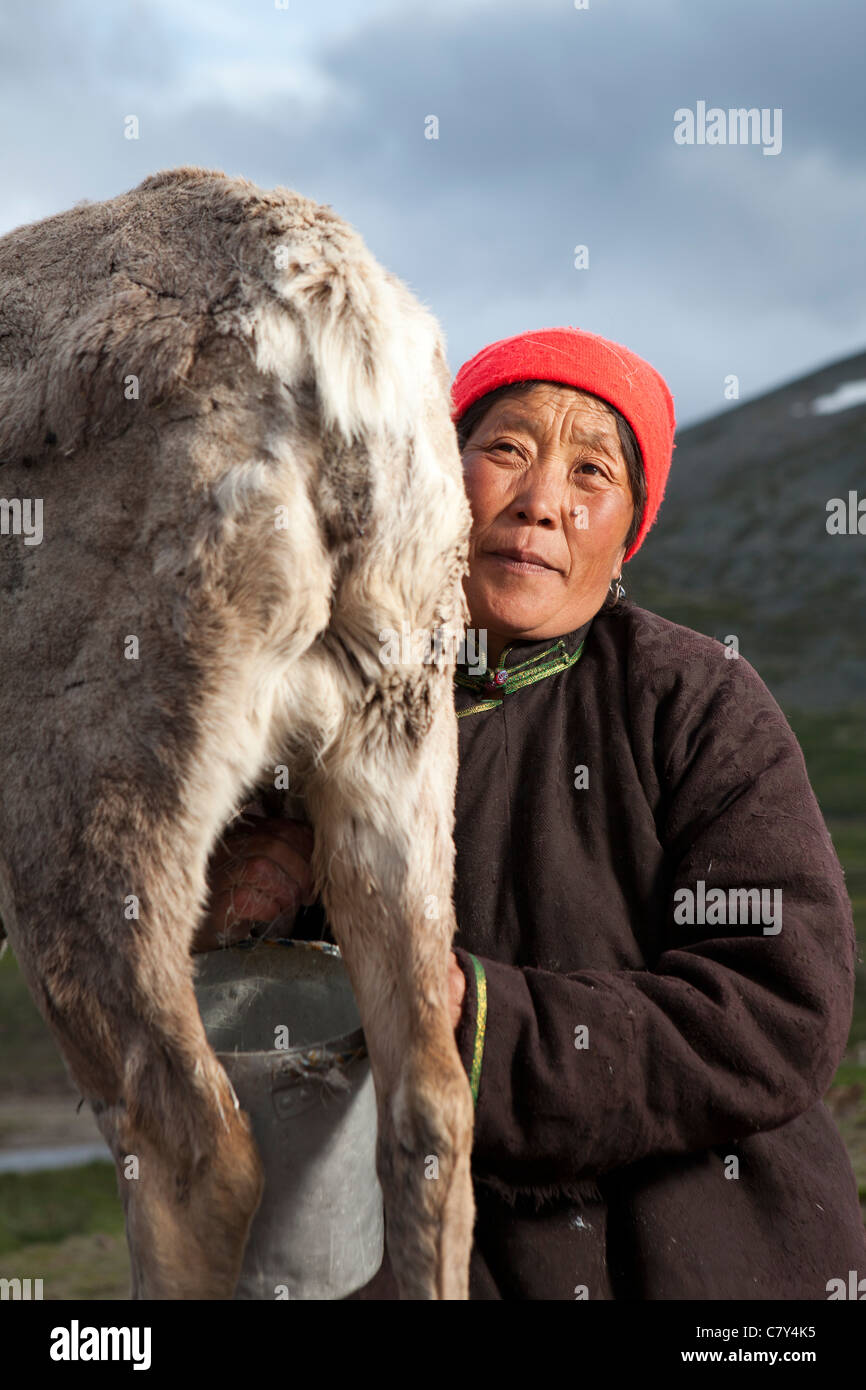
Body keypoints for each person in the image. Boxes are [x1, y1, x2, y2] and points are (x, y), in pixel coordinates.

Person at [193, 326, 866, 1300]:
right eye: (503, 449)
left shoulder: (694, 701)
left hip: (696, 1265)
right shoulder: (326, 699)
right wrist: (231, 891)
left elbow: (774, 1011)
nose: (541, 500)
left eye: (590, 469)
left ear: (627, 527)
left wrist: (467, 1023)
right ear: (439, 475)